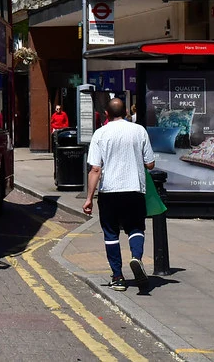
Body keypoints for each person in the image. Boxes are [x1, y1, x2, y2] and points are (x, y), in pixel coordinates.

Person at [82, 98, 156, 292]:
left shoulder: (100, 133)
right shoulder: (139, 130)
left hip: (109, 192)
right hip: (134, 189)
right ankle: (136, 258)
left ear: (106, 114)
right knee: (136, 227)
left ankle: (118, 277)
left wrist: (89, 198)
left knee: (110, 232)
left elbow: (95, 169)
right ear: (126, 112)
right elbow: (150, 164)